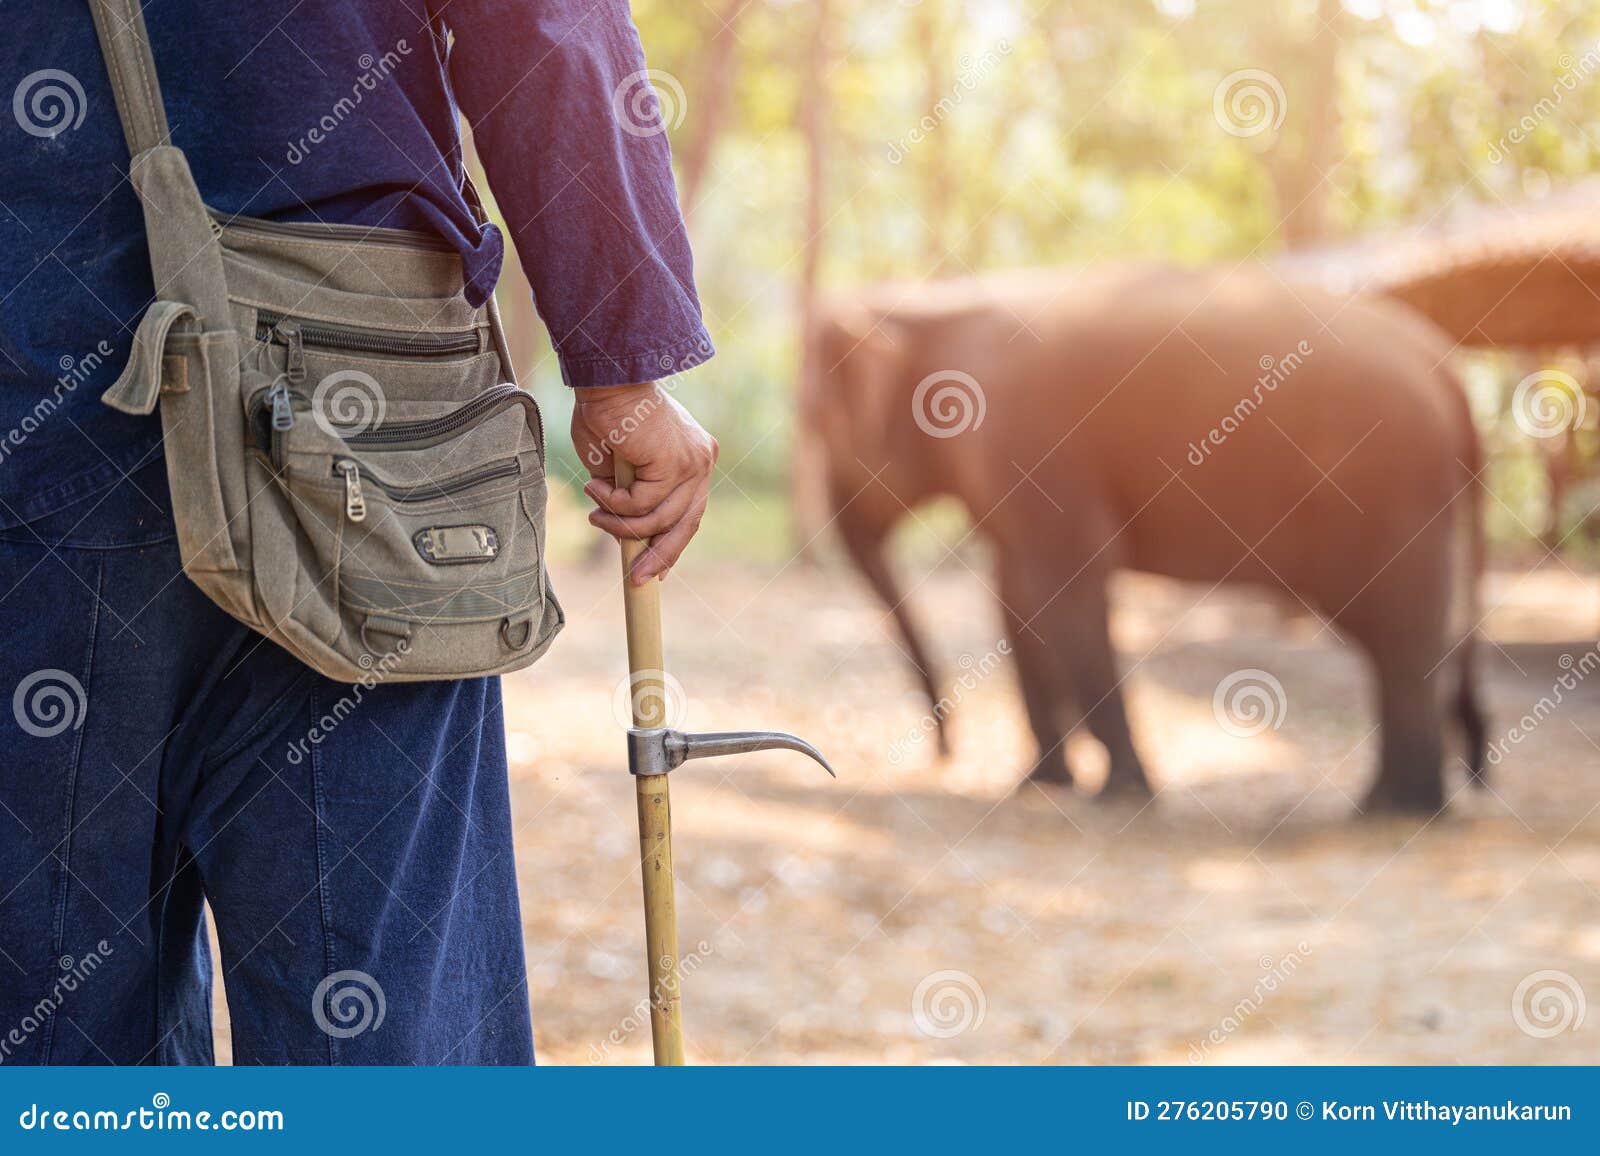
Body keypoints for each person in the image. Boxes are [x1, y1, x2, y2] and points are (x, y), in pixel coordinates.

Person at [0, 1, 716, 1064]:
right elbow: (548, 30)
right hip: (370, 430)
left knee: (55, 1022)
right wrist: (619, 364)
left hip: (49, 419)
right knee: (385, 1022)